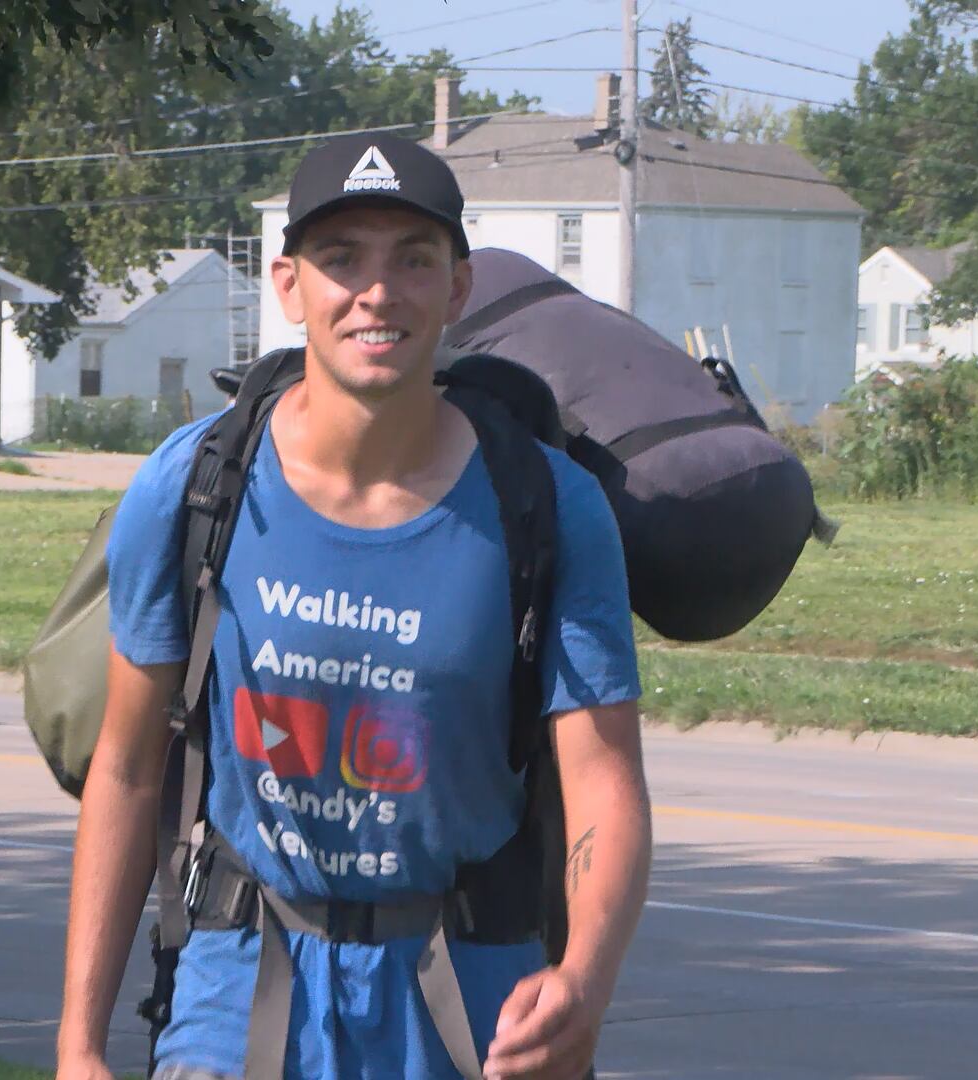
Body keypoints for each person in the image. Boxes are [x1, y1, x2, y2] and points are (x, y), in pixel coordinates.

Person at [57, 131, 652, 1080]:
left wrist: (586, 978)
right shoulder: (194, 485)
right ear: (290, 285)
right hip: (238, 987)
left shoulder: (546, 504)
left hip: (472, 997)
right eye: (342, 259)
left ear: (457, 288)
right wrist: (79, 1046)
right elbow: (126, 769)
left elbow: (604, 779)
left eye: (413, 259)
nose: (377, 291)